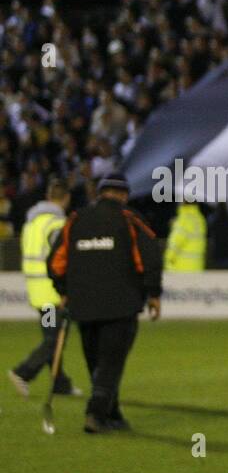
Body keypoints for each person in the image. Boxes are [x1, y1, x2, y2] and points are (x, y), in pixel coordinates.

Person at [47, 175, 162, 433]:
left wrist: (63, 289)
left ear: (99, 194)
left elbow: (55, 262)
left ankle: (112, 413)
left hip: (83, 304)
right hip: (121, 302)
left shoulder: (76, 219)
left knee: (97, 363)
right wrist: (153, 293)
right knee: (111, 362)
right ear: (124, 195)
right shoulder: (130, 218)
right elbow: (150, 256)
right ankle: (96, 414)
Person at [7, 182, 82, 398]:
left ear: (48, 196)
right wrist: (66, 288)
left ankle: (60, 383)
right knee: (54, 339)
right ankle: (23, 372)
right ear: (66, 199)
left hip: (38, 293)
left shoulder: (32, 223)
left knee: (53, 338)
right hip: (52, 295)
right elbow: (62, 260)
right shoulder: (57, 225)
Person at [164, 201, 207, 271]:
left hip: (181, 267)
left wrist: (167, 261)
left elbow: (174, 243)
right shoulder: (200, 219)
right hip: (197, 267)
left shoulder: (184, 219)